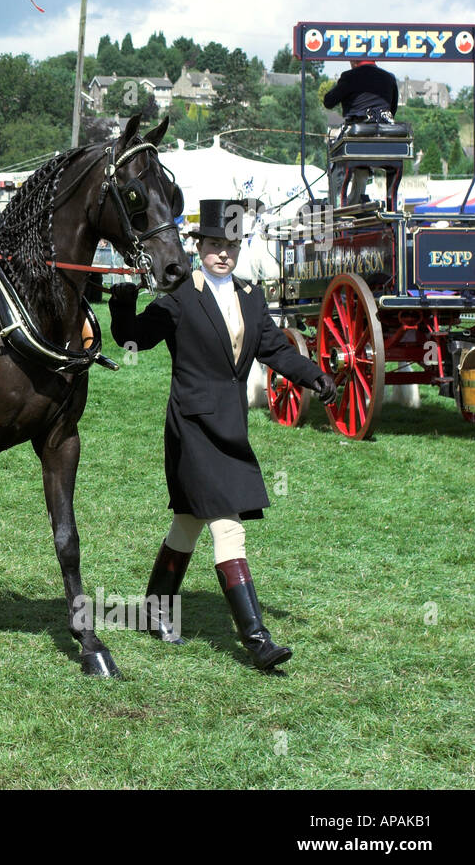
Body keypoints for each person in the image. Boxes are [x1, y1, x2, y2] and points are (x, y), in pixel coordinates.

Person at [110, 199, 338, 671]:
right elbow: (134, 341)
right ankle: (256, 640)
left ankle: (154, 612)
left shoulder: (251, 296)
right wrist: (122, 303)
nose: (222, 254)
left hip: (231, 426)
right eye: (214, 245)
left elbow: (273, 348)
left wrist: (311, 375)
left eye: (230, 246)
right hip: (192, 427)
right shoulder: (178, 297)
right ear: (199, 247)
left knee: (188, 523)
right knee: (227, 528)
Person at [323, 59, 399, 206]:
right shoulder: (389, 78)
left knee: (338, 160)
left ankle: (334, 204)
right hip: (385, 135)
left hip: (357, 133)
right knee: (361, 164)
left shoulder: (350, 76)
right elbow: (392, 110)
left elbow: (328, 101)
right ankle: (361, 198)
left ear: (353, 61)